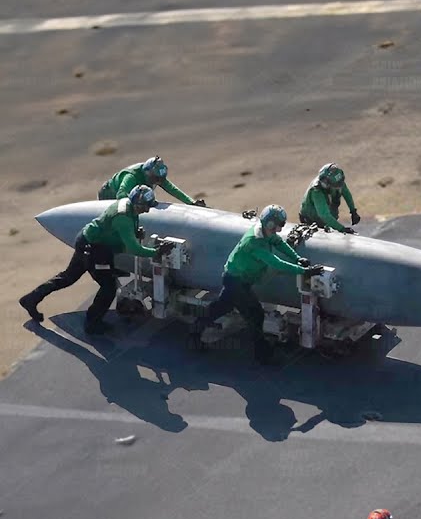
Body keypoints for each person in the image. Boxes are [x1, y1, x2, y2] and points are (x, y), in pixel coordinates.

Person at [20, 185, 172, 334]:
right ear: (138, 204)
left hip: (87, 240)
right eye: (146, 206)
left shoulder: (126, 204)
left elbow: (116, 229)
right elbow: (134, 249)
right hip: (94, 250)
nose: (147, 210)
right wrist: (157, 252)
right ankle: (92, 324)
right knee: (108, 287)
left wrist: (134, 232)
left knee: (68, 277)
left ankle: (31, 299)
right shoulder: (124, 218)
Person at [188, 204, 323, 364]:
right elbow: (276, 263)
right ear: (270, 224)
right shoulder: (254, 241)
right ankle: (262, 355)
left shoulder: (264, 231)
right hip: (236, 282)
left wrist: (297, 258)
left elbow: (279, 243)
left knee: (220, 308)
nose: (279, 229)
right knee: (255, 315)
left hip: (236, 279)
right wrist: (304, 271)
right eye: (279, 225)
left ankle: (194, 334)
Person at [98, 156, 205, 206]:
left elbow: (172, 189)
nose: (157, 183)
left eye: (160, 180)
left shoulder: (157, 176)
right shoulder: (131, 176)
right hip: (109, 194)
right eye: (155, 180)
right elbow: (121, 195)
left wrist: (191, 202)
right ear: (147, 174)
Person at [299, 163, 359, 233]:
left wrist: (353, 211)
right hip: (311, 219)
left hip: (327, 217)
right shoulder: (316, 191)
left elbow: (347, 194)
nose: (339, 187)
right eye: (335, 186)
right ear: (326, 184)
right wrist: (342, 229)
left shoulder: (337, 182)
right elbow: (324, 215)